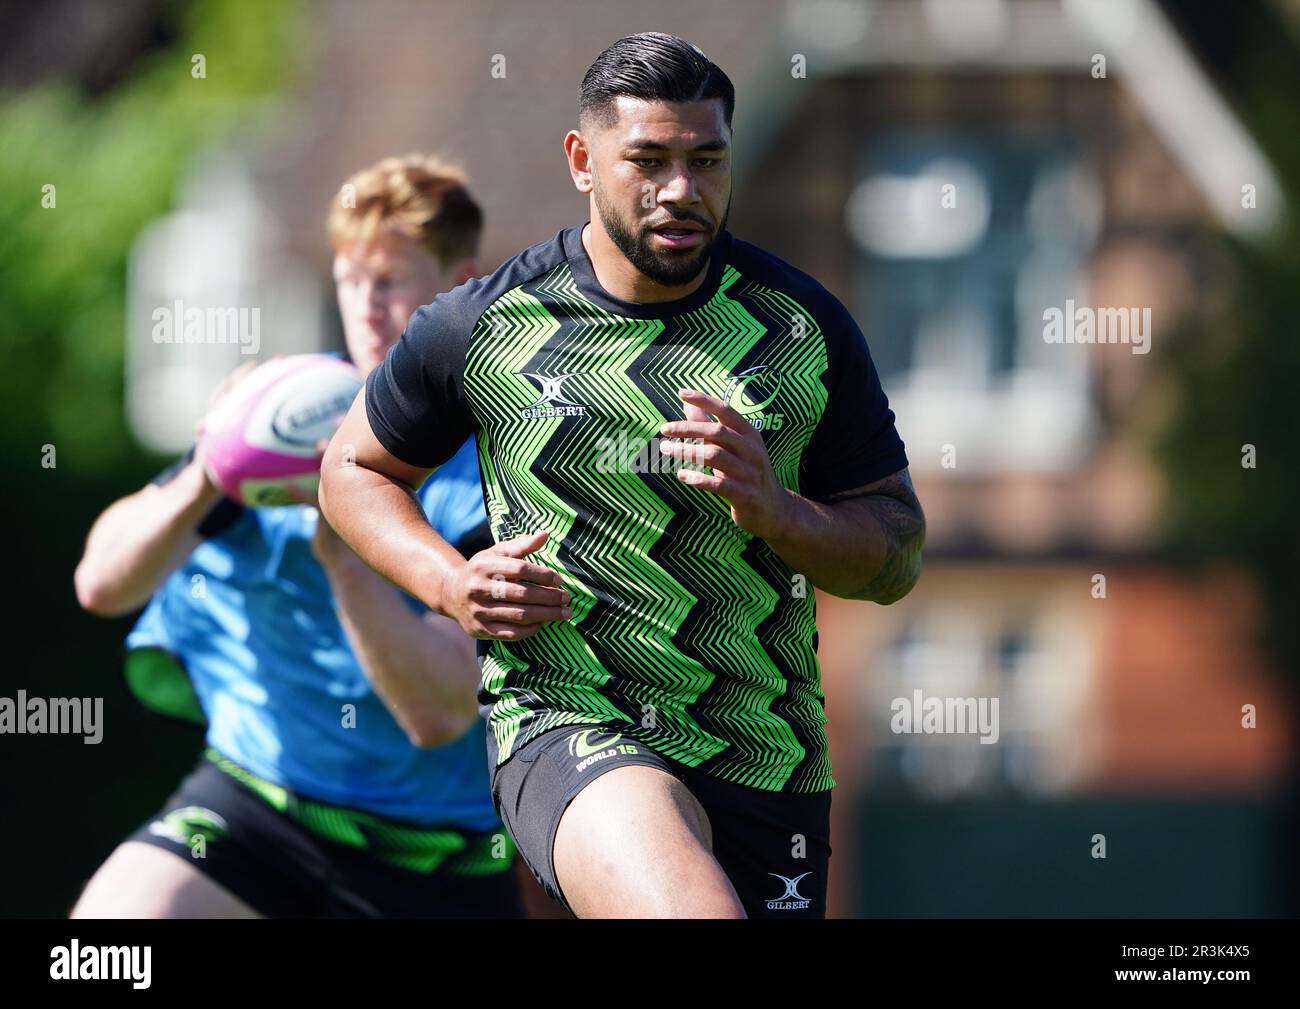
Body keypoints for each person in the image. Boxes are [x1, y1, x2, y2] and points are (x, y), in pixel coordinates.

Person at [319, 34, 926, 919]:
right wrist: (449, 582)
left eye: (706, 160)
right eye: (648, 161)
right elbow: (352, 469)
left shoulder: (803, 327)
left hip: (769, 755)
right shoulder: (482, 326)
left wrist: (778, 511)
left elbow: (896, 554)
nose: (681, 190)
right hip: (566, 723)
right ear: (582, 160)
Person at [71, 154, 522, 918]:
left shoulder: (502, 471)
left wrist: (347, 552)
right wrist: (207, 468)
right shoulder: (284, 416)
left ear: (457, 283)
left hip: (439, 866)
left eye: (392, 279)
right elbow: (102, 583)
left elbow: (440, 712)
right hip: (254, 814)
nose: (368, 306)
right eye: (351, 279)